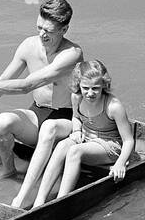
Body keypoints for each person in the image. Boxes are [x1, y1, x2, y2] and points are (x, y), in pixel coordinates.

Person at [0, 0, 83, 207]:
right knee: (2, 123)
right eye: (39, 27)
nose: (42, 34)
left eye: (48, 31)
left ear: (64, 29)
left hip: (67, 120)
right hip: (38, 112)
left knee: (49, 128)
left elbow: (25, 86)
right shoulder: (28, 46)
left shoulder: (72, 54)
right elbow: (2, 83)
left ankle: (21, 199)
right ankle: (8, 169)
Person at [30, 59, 135, 207]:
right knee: (61, 146)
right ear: (78, 84)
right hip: (86, 137)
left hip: (109, 145)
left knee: (74, 151)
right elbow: (76, 117)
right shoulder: (76, 97)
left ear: (104, 85)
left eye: (95, 88)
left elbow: (129, 140)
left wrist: (120, 163)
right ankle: (39, 201)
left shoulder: (114, 106)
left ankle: (60, 202)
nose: (90, 93)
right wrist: (77, 129)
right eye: (86, 88)